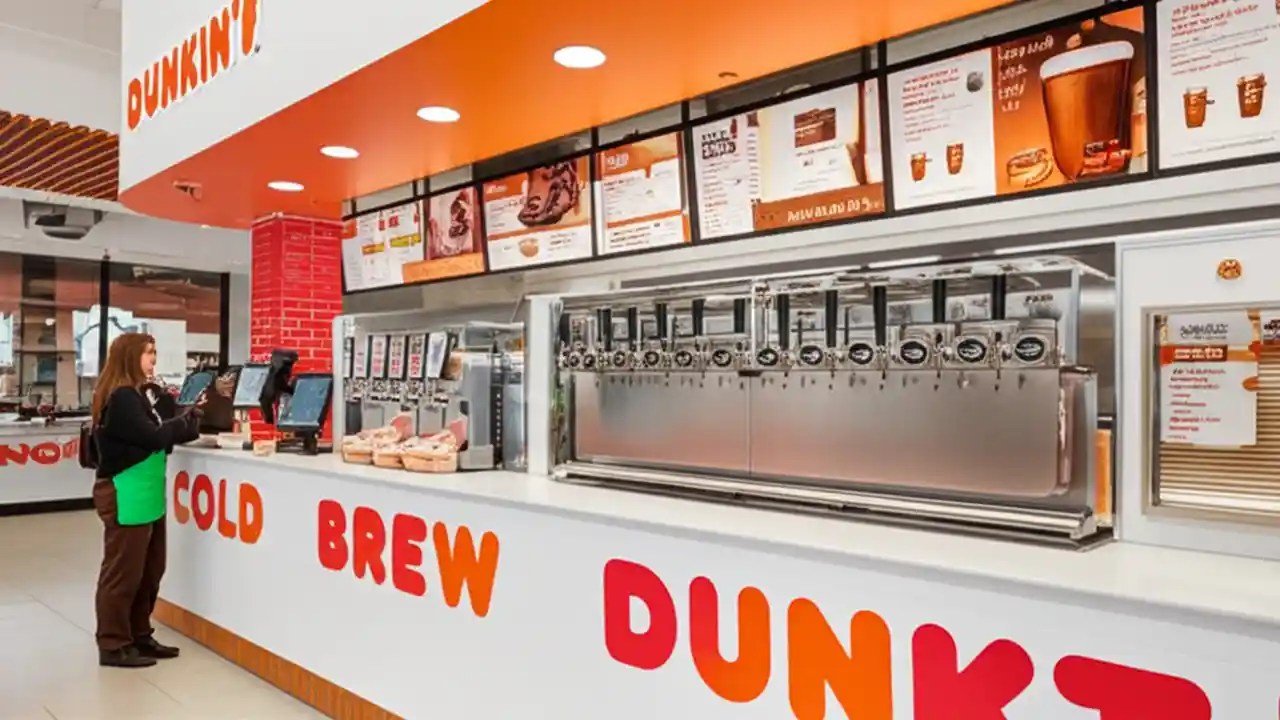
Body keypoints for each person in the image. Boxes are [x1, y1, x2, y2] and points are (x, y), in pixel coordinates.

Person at [90, 333, 201, 668]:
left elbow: (158, 433)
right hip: (127, 493)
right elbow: (152, 436)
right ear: (129, 356)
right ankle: (113, 643)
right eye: (148, 352)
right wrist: (186, 422)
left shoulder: (139, 394)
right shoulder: (122, 396)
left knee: (150, 569)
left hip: (147, 494)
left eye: (155, 351)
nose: (153, 358)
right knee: (123, 573)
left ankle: (139, 635)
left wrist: (177, 417)